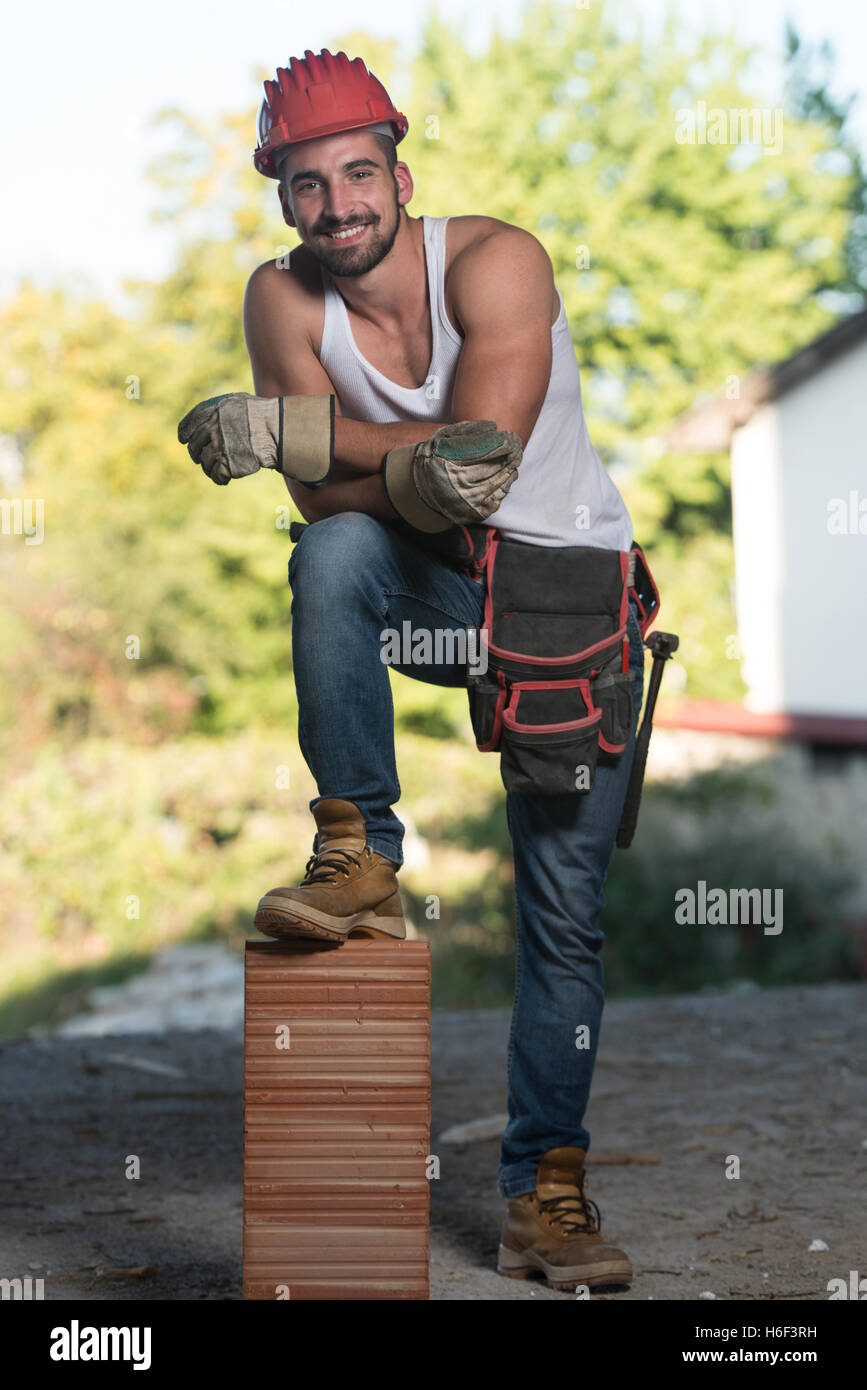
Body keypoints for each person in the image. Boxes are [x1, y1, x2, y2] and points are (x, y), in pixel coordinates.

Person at [178, 48, 645, 1292]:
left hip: (560, 602)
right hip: (424, 588)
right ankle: (359, 851)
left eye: (358, 174)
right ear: (284, 198)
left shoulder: (499, 263)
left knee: (562, 919)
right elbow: (330, 489)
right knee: (331, 552)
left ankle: (545, 1194)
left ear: (401, 170)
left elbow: (478, 468)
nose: (339, 206)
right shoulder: (282, 303)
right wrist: (341, 452)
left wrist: (307, 424)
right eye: (309, 184)